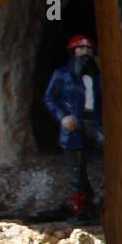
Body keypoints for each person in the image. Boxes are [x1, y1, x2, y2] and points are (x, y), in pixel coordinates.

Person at [43, 35, 104, 224]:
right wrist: (62, 117)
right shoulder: (62, 74)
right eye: (80, 49)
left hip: (94, 123)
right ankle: (81, 209)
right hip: (74, 125)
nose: (85, 53)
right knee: (77, 170)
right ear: (73, 52)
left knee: (106, 161)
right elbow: (49, 98)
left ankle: (97, 203)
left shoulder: (96, 76)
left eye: (88, 49)